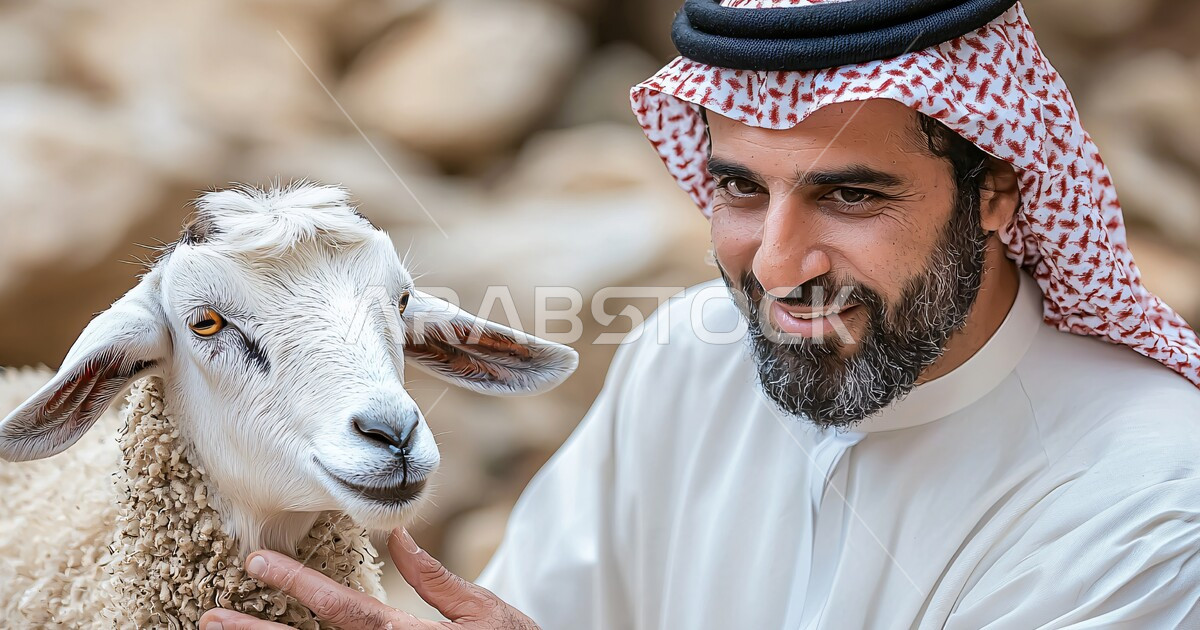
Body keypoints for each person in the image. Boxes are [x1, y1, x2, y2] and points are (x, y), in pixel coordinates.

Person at [202, 1, 1200, 628]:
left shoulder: (1152, 498)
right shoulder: (687, 359)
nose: (774, 265)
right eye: (740, 190)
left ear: (999, 191)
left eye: (851, 196)